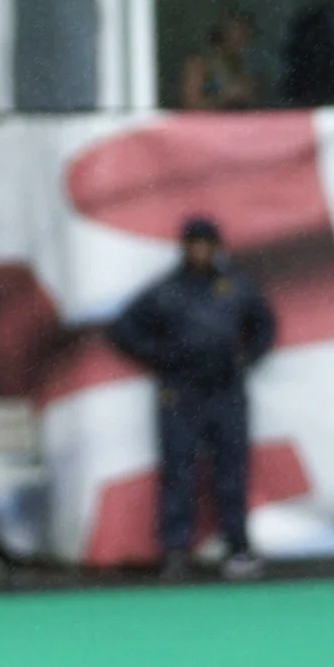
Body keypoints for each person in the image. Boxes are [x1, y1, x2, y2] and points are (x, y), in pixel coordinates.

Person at [108, 216, 278, 580]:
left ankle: (237, 546)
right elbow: (124, 329)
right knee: (179, 471)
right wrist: (160, 356)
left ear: (216, 248)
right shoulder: (167, 290)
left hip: (225, 388)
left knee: (231, 471)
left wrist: (247, 359)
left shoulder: (235, 285)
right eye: (194, 245)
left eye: (206, 244)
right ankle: (175, 550)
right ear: (185, 248)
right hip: (181, 391)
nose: (200, 251)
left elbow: (264, 324)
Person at [178, 12, 265, 111]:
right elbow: (191, 105)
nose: (242, 44)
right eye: (237, 39)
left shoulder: (239, 64)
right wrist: (225, 98)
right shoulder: (198, 64)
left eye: (244, 37)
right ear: (223, 35)